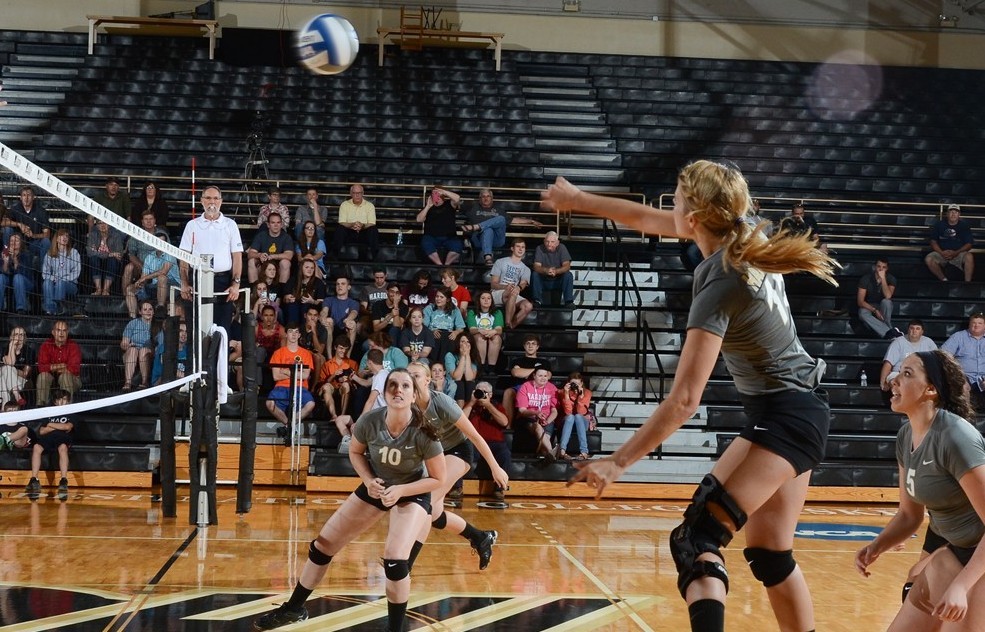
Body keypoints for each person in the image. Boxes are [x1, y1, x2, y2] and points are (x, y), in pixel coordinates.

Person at [544, 160, 838, 632]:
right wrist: (578, 200)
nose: (670, 207)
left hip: (785, 417)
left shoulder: (720, 278)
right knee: (769, 554)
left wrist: (617, 462)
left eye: (677, 201)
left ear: (695, 218)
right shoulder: (744, 231)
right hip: (799, 410)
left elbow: (684, 400)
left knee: (695, 540)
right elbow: (644, 219)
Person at [253, 369, 445, 632]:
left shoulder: (424, 430)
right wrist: (368, 480)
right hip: (377, 484)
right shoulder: (370, 421)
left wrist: (401, 491)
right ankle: (295, 608)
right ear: (384, 392)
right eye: (392, 385)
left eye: (405, 386)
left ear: (414, 395)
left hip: (412, 491)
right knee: (321, 546)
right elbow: (355, 452)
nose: (398, 390)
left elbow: (438, 478)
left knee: (395, 560)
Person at [854, 350, 985, 632]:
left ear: (931, 390)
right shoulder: (906, 436)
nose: (894, 380)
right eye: (898, 372)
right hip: (958, 551)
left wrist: (961, 586)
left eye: (907, 374)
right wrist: (877, 546)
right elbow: (909, 515)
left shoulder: (956, 437)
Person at [405, 362, 508, 571]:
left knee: (427, 503)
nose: (410, 379)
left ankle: (405, 565)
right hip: (434, 455)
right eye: (408, 375)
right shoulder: (407, 406)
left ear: (427, 380)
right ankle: (480, 537)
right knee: (435, 515)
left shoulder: (442, 402)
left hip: (459, 451)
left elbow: (475, 437)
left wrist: (495, 467)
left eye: (416, 375)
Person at [179, 186, 243, 334]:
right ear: (201, 201)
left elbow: (237, 257)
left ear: (221, 201)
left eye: (215, 198)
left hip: (223, 283)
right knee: (196, 332)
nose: (211, 202)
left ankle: (220, 358)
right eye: (208, 198)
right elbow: (183, 257)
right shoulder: (192, 225)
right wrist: (184, 283)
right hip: (198, 281)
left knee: (221, 333)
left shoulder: (230, 225)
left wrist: (235, 284)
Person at [461, 188, 544, 266]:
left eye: (488, 196)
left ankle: (477, 226)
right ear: (479, 198)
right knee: (488, 230)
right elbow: (456, 202)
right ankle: (488, 257)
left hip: (497, 240)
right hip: (479, 240)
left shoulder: (499, 210)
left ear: (492, 198)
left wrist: (531, 221)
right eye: (483, 196)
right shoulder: (472, 208)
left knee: (501, 218)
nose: (486, 198)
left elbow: (512, 220)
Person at [266, 322, 317, 445]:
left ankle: (289, 426)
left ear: (299, 335)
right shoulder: (278, 353)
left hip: (300, 387)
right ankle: (290, 426)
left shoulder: (305, 354)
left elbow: (305, 375)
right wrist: (295, 373)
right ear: (286, 334)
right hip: (281, 387)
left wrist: (288, 372)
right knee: (269, 403)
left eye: (296, 332)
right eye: (290, 331)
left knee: (310, 404)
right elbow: (275, 376)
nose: (293, 335)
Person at [23, 388, 77, 498]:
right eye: (60, 399)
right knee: (37, 447)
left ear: (68, 401)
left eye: (65, 399)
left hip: (63, 438)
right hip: (48, 439)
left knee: (62, 447)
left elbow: (67, 427)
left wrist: (50, 425)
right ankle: (34, 479)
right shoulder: (49, 412)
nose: (62, 402)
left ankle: (63, 480)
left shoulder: (71, 412)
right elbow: (42, 431)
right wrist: (56, 427)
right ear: (55, 401)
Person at [463, 380, 511, 501]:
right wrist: (471, 402)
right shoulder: (470, 406)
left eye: (485, 392)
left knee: (505, 453)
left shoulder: (497, 406)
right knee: (462, 452)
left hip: (495, 444)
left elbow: (504, 422)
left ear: (490, 395)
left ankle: (499, 489)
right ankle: (456, 488)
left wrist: (488, 405)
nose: (482, 394)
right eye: (479, 391)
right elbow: (460, 421)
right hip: (474, 443)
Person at [126, 230, 179, 318]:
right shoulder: (149, 257)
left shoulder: (170, 254)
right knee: (129, 289)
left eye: (162, 242)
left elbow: (163, 272)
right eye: (158, 242)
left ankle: (160, 310)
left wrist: (145, 278)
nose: (160, 244)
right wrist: (140, 283)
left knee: (162, 278)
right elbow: (143, 277)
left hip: (173, 287)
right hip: (154, 286)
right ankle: (133, 318)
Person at [501, 334, 551, 424]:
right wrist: (536, 370)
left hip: (537, 389)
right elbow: (516, 373)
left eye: (533, 343)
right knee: (508, 392)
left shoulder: (544, 362)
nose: (530, 346)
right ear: (524, 346)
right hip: (519, 388)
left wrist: (524, 372)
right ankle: (508, 426)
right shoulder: (516, 361)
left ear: (537, 347)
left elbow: (548, 375)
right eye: (528, 343)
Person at [316, 338, 359, 443]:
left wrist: (348, 379)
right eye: (340, 348)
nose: (343, 351)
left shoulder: (352, 364)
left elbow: (356, 383)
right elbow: (322, 383)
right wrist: (334, 375)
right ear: (335, 347)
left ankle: (342, 416)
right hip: (331, 387)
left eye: (345, 349)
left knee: (345, 385)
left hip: (344, 389)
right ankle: (334, 415)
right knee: (326, 386)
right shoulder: (328, 364)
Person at [941, 312, 985, 409]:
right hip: (964, 375)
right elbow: (943, 355)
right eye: (973, 323)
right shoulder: (959, 336)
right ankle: (965, 416)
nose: (976, 325)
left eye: (980, 323)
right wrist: (955, 373)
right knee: (962, 386)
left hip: (983, 376)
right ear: (969, 324)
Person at [880, 319, 938, 392]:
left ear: (922, 332)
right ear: (908, 330)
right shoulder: (898, 342)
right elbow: (888, 364)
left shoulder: (929, 343)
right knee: (896, 383)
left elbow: (937, 363)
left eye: (917, 329)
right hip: (898, 374)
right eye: (912, 328)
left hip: (920, 375)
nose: (914, 331)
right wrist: (883, 382)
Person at [516, 366, 559, 460]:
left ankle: (548, 455)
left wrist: (548, 421)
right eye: (540, 375)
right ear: (534, 376)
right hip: (529, 418)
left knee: (545, 440)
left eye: (545, 376)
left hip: (547, 419)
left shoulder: (552, 388)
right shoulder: (526, 386)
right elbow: (522, 411)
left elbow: (554, 411)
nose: (543, 378)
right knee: (538, 427)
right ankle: (552, 453)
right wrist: (536, 413)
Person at [490, 238, 535, 329]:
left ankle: (510, 327)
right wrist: (506, 286)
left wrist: (518, 287)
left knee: (528, 306)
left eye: (523, 247)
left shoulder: (526, 269)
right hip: (497, 292)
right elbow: (493, 284)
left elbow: (523, 283)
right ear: (512, 248)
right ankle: (507, 323)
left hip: (513, 293)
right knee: (513, 292)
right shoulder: (500, 262)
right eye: (518, 246)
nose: (520, 249)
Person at [36, 320, 82, 405]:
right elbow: (42, 368)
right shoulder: (46, 345)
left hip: (72, 379)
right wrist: (62, 366)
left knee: (65, 377)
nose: (61, 333)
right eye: (58, 330)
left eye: (64, 330)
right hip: (51, 379)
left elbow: (74, 369)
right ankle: (41, 408)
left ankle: (67, 408)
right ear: (53, 332)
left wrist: (52, 368)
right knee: (43, 376)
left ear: (67, 332)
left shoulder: (73, 346)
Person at [926, 204, 975, 282]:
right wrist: (941, 252)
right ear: (947, 214)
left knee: (969, 256)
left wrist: (956, 252)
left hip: (958, 253)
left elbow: (969, 244)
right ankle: (944, 280)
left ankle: (967, 283)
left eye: (956, 212)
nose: (953, 214)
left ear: (959, 214)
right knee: (929, 259)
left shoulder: (964, 226)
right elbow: (933, 241)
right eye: (951, 212)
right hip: (942, 253)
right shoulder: (939, 224)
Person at [857, 257, 902, 339]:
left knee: (887, 302)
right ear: (875, 267)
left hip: (883, 305)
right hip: (869, 306)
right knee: (862, 312)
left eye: (884, 267)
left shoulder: (891, 278)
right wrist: (874, 310)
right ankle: (890, 332)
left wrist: (883, 278)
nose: (881, 269)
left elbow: (888, 296)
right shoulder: (866, 278)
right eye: (879, 266)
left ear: (887, 268)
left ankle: (888, 333)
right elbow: (860, 301)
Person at [332, 183, 379, 261]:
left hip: (364, 232)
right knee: (340, 229)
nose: (357, 195)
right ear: (351, 194)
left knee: (373, 229)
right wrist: (352, 224)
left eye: (359, 193)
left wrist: (362, 225)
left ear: (363, 193)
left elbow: (372, 222)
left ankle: (375, 257)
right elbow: (342, 222)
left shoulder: (369, 206)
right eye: (354, 193)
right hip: (349, 232)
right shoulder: (345, 205)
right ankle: (334, 255)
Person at [417, 186, 462, 265]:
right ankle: (440, 265)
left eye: (437, 193)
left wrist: (444, 192)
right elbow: (419, 219)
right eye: (433, 193)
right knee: (425, 243)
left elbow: (457, 198)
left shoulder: (449, 204)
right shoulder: (428, 208)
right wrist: (428, 206)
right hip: (431, 237)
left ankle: (447, 265)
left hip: (449, 237)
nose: (436, 195)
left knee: (457, 245)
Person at [41, 229, 81, 315]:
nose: (65, 237)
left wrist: (62, 279)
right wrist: (53, 278)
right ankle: (49, 310)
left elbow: (76, 272)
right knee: (47, 282)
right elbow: (45, 273)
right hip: (54, 281)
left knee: (61, 282)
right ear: (57, 239)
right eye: (62, 235)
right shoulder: (50, 253)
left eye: (66, 236)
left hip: (70, 284)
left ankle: (58, 309)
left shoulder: (74, 252)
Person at [247, 212, 294, 285]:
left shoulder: (286, 237)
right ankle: (255, 290)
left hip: (278, 267)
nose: (276, 225)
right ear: (268, 225)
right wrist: (259, 255)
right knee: (251, 261)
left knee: (286, 263)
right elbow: (250, 253)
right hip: (263, 265)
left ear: (281, 224)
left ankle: (282, 291)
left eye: (278, 223)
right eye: (273, 222)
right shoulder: (261, 235)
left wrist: (274, 256)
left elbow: (289, 255)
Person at [532, 230, 575, 308]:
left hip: (558, 280)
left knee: (568, 275)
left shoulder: (562, 247)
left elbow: (567, 266)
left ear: (557, 242)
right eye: (547, 241)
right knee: (535, 274)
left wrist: (556, 271)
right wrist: (546, 271)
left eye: (552, 242)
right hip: (544, 280)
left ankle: (568, 301)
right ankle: (536, 300)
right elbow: (536, 266)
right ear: (544, 241)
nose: (549, 244)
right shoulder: (539, 248)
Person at [423, 287, 465, 364]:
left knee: (447, 337)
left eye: (441, 297)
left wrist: (456, 332)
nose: (438, 299)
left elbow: (461, 327)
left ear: (448, 299)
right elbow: (424, 326)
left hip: (448, 335)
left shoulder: (455, 310)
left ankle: (443, 365)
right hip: (433, 334)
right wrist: (432, 331)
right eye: (437, 296)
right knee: (437, 337)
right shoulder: (429, 308)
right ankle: (436, 365)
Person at [467, 289, 505, 375]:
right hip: (478, 336)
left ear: (492, 301)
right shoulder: (472, 312)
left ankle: (491, 368)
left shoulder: (497, 312)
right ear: (478, 300)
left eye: (489, 298)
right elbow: (472, 330)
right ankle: (481, 367)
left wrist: (493, 331)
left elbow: (499, 329)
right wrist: (480, 330)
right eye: (483, 298)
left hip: (491, 334)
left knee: (496, 338)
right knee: (480, 338)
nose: (486, 300)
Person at [6, 185, 50, 257]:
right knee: (7, 229)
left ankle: (43, 268)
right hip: (18, 243)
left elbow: (47, 234)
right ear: (20, 198)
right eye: (24, 195)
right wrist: (19, 224)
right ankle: (7, 254)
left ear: (33, 197)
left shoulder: (41, 211)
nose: (26, 198)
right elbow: (4, 222)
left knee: (46, 242)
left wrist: (33, 235)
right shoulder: (15, 209)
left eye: (29, 195)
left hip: (34, 242)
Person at [121, 299, 155, 390]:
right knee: (132, 350)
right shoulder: (133, 323)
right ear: (140, 312)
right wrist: (127, 345)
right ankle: (128, 382)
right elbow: (124, 343)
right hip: (132, 352)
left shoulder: (157, 325)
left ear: (153, 311)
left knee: (143, 351)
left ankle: (144, 382)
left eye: (150, 309)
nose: (148, 312)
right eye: (145, 310)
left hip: (149, 353)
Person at [558, 372, 593, 460]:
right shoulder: (562, 392)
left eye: (578, 384)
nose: (575, 386)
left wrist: (581, 396)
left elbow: (581, 412)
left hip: (581, 421)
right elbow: (568, 412)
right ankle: (562, 450)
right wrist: (566, 394)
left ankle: (584, 451)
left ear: (581, 383)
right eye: (573, 384)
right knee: (571, 417)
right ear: (568, 383)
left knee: (577, 416)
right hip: (568, 422)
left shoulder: (587, 393)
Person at [86, 219, 126, 296]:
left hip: (112, 261)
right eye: (100, 223)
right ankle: (98, 289)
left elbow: (119, 254)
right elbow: (90, 253)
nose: (102, 225)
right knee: (94, 259)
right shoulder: (93, 235)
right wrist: (109, 254)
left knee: (112, 260)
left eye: (105, 223)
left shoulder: (116, 235)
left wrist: (105, 255)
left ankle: (106, 290)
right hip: (97, 260)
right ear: (97, 226)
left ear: (109, 225)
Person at [282, 259, 327, 326]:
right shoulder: (293, 280)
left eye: (312, 268)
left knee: (306, 307)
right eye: (307, 267)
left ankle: (304, 333)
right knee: (292, 306)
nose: (310, 270)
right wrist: (288, 299)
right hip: (294, 306)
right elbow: (284, 299)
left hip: (310, 307)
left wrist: (312, 301)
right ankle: (292, 330)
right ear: (301, 268)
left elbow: (322, 303)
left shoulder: (318, 282)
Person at [321, 275, 361, 349]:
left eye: (343, 284)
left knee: (352, 324)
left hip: (345, 327)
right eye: (337, 284)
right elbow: (324, 311)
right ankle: (329, 357)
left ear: (348, 287)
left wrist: (348, 319)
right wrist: (323, 317)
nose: (340, 286)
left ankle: (347, 357)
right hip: (332, 327)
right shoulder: (329, 300)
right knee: (328, 320)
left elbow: (354, 312)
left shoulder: (354, 302)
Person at [0, 232, 35, 313]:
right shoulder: (5, 253)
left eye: (16, 240)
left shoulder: (27, 254)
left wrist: (15, 259)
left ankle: (21, 308)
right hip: (11, 281)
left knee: (18, 277)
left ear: (21, 243)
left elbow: (22, 273)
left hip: (26, 281)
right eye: (11, 240)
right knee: (1, 277)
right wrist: (5, 262)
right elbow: (3, 272)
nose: (13, 242)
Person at [0, 326, 32, 407]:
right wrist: (11, 346)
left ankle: (4, 406)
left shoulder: (29, 351)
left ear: (24, 338)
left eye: (21, 335)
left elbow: (25, 374)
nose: (19, 337)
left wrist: (13, 370)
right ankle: (16, 394)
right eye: (16, 334)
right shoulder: (4, 349)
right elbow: (11, 362)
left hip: (21, 381)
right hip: (7, 379)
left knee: (6, 371)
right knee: (5, 373)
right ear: (11, 337)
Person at [445, 332, 479, 407]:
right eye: (462, 341)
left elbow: (469, 378)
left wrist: (467, 356)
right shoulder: (450, 355)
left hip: (467, 385)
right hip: (452, 384)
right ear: (458, 343)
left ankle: (468, 412)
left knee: (470, 384)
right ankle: (460, 413)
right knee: (459, 384)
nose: (465, 344)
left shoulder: (473, 357)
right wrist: (463, 356)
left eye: (468, 342)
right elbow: (456, 377)